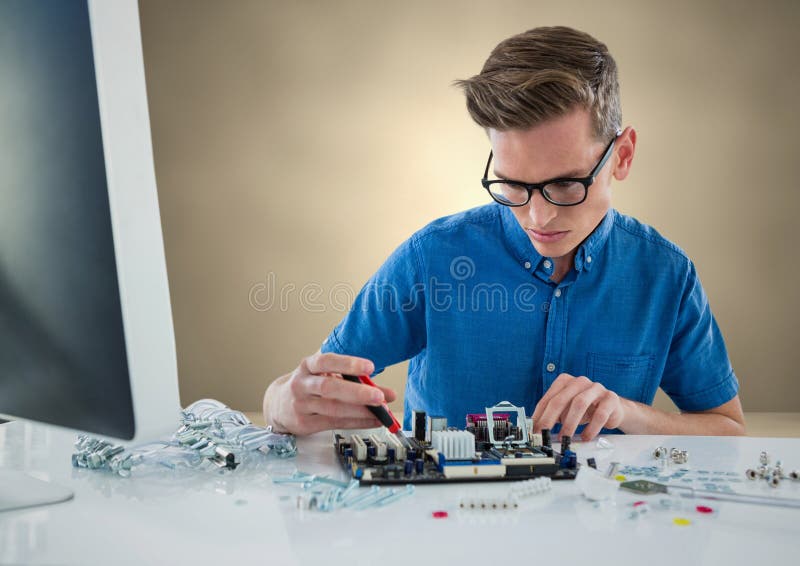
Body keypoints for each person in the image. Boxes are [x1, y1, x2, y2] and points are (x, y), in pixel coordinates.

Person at [262, 26, 745, 440]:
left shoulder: (667, 275)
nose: (537, 217)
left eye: (564, 183)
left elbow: (727, 429)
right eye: (513, 185)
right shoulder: (432, 257)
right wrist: (283, 404)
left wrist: (628, 413)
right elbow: (306, 388)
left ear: (622, 156)